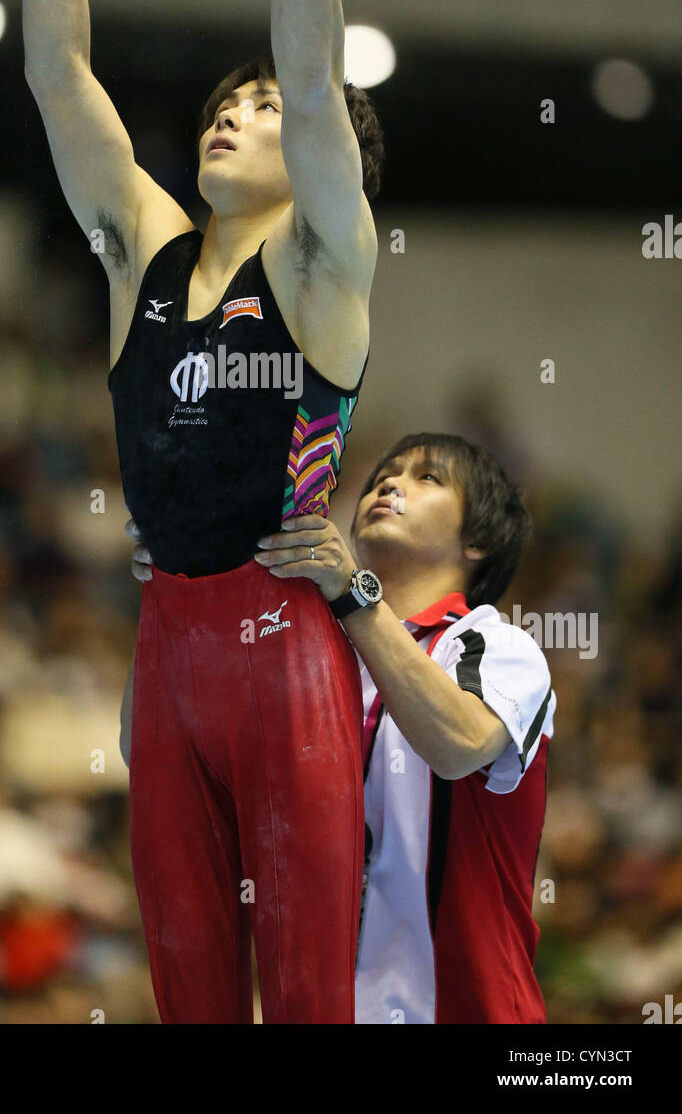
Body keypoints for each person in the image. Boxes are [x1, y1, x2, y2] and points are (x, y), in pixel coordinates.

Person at [15, 0, 383, 1023]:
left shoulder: (328, 260)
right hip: (168, 646)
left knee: (302, 996)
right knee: (188, 994)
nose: (233, 113)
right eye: (226, 102)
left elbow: (326, 91)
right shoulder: (145, 254)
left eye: (263, 108)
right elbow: (60, 83)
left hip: (285, 644)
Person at [129, 433, 556, 1023]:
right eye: (385, 472)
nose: (390, 483)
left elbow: (457, 746)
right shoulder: (304, 654)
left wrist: (351, 591)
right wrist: (173, 596)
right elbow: (147, 747)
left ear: (477, 540)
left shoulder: (498, 646)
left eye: (426, 478)